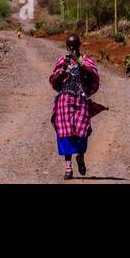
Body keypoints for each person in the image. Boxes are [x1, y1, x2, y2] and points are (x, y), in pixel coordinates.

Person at [49, 33, 100, 179]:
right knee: (65, 134)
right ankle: (68, 168)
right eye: (68, 46)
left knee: (82, 132)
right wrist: (63, 70)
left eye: (74, 46)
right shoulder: (61, 61)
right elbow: (54, 82)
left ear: (79, 46)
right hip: (64, 99)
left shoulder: (86, 61)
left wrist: (78, 63)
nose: (71, 49)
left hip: (81, 99)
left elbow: (93, 76)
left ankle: (81, 156)